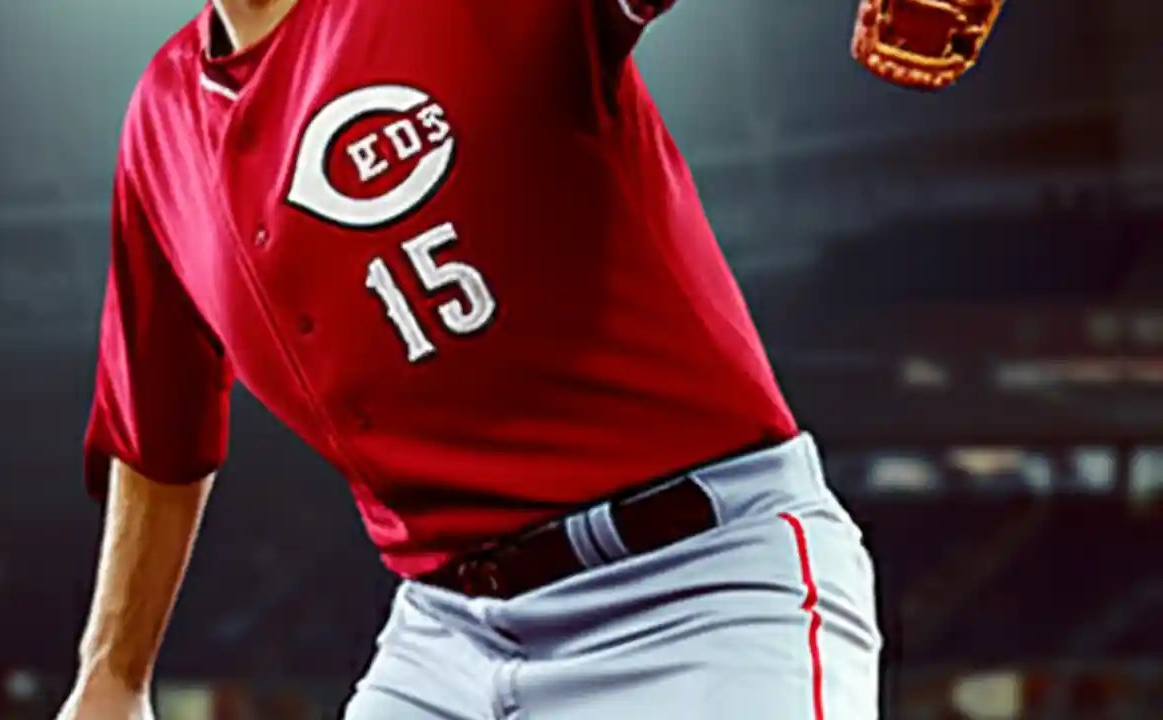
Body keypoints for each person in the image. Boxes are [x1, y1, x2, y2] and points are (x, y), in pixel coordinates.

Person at [58, 1, 883, 718]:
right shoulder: (162, 116)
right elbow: (157, 427)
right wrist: (111, 676)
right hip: (447, 634)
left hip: (698, 586)